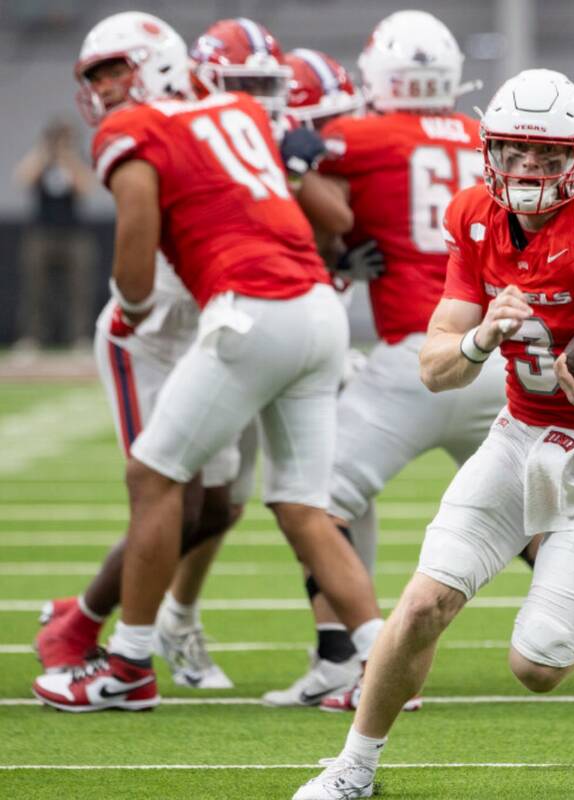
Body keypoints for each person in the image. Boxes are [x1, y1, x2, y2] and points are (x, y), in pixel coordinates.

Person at [292, 67, 574, 799]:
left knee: (538, 668)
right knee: (424, 603)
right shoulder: (475, 219)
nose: (529, 170)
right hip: (518, 434)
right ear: (490, 150)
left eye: (548, 156)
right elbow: (434, 367)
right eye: (515, 152)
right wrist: (482, 338)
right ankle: (353, 769)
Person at [31, 11, 383, 713]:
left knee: (160, 481)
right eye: (95, 76)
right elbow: (319, 216)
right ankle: (380, 661)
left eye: (115, 71)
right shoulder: (243, 111)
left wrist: (132, 306)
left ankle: (125, 662)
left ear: (156, 65)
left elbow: (135, 263)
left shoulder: (142, 129)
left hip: (239, 314)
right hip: (311, 312)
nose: (104, 89)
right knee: (296, 507)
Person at [12, 119, 98, 352]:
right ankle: (32, 338)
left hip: (74, 233)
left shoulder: (75, 159)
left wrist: (67, 156)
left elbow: (85, 188)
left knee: (79, 290)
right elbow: (22, 179)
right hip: (41, 232)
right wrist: (44, 151)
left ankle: (79, 338)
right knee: (35, 290)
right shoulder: (40, 159)